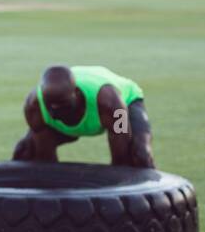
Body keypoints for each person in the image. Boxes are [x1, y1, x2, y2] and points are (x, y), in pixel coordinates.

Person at [12, 65, 155, 168]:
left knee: (140, 154)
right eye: (50, 106)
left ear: (77, 94)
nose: (55, 112)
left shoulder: (113, 105)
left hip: (127, 101)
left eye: (63, 104)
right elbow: (45, 162)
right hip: (88, 112)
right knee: (25, 151)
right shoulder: (34, 107)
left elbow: (121, 159)